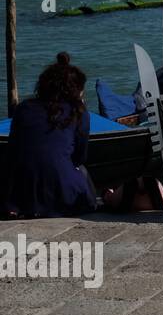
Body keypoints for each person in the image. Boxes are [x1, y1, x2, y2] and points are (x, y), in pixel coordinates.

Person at [1, 53, 97, 218]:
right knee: (81, 170)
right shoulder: (78, 112)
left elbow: (13, 152)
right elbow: (79, 158)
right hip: (64, 195)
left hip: (19, 196)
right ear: (76, 90)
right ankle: (91, 203)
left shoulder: (24, 108)